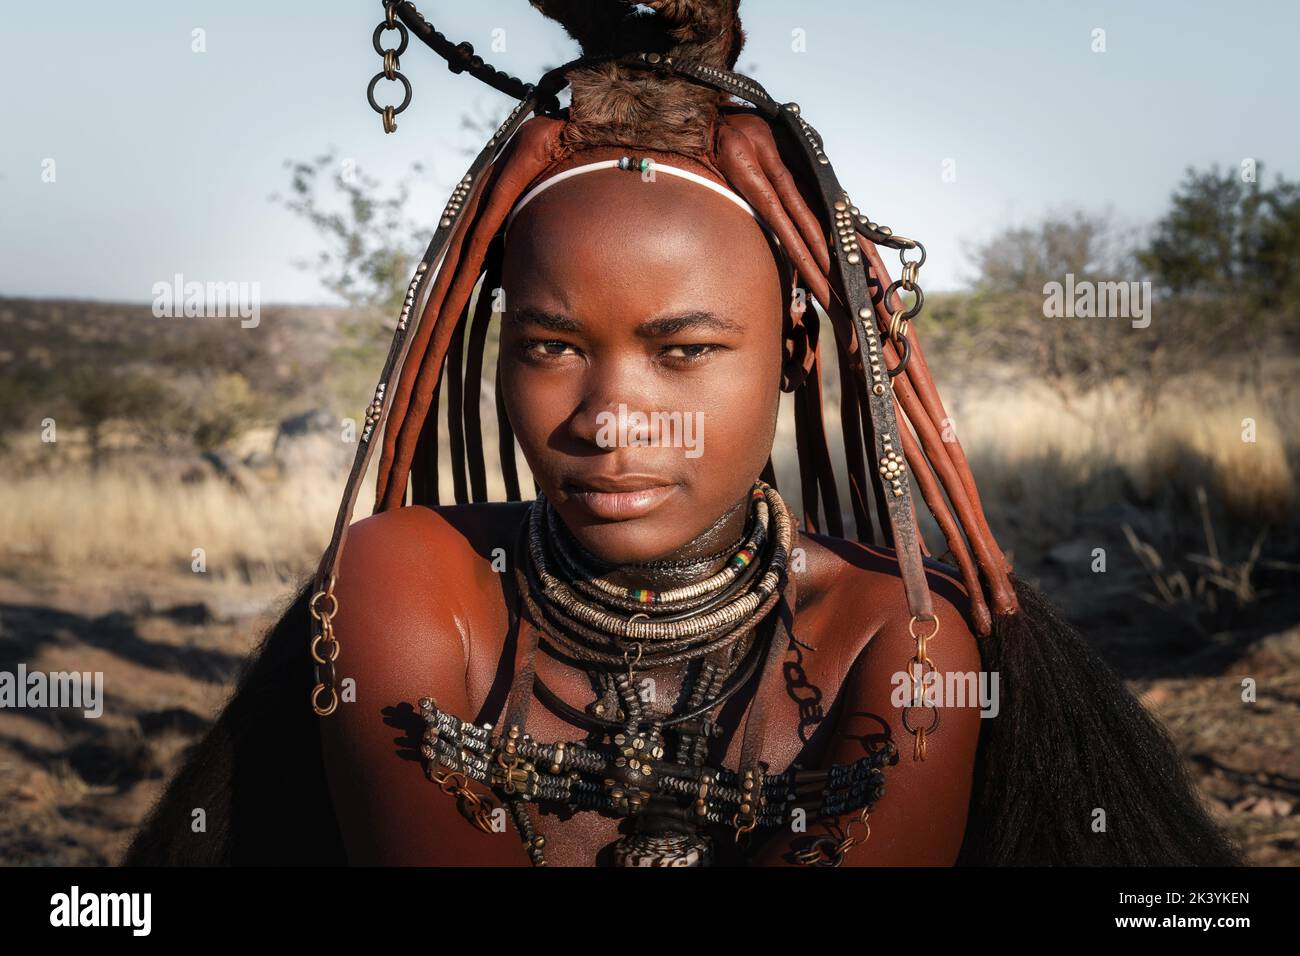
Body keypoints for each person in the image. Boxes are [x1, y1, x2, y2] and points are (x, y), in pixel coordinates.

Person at [123, 0, 1242, 867]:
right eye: (552, 345)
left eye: (685, 349)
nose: (612, 418)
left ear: (797, 353)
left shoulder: (896, 643)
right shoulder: (407, 581)